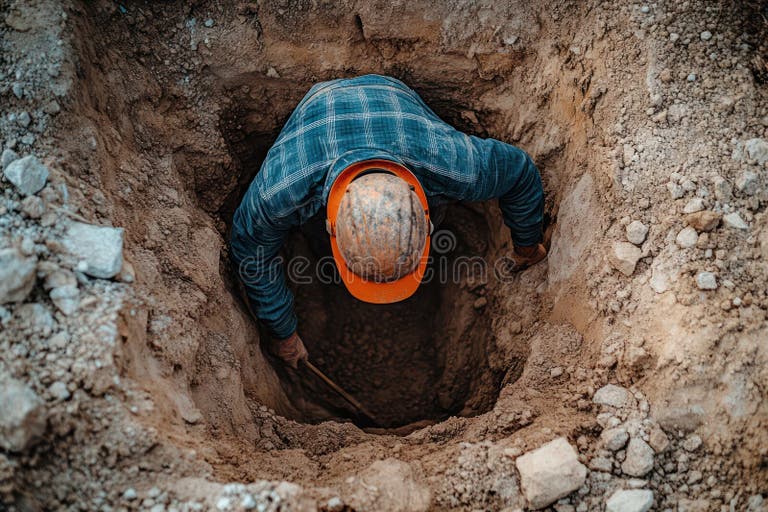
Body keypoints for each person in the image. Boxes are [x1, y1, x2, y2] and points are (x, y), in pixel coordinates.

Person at [231, 75, 546, 368]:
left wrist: (526, 246)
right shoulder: (282, 189)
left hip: (395, 102)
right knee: (305, 233)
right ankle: (319, 247)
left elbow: (519, 172)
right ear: (332, 227)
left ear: (424, 215)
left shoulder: (449, 162)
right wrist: (283, 331)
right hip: (319, 108)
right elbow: (250, 248)